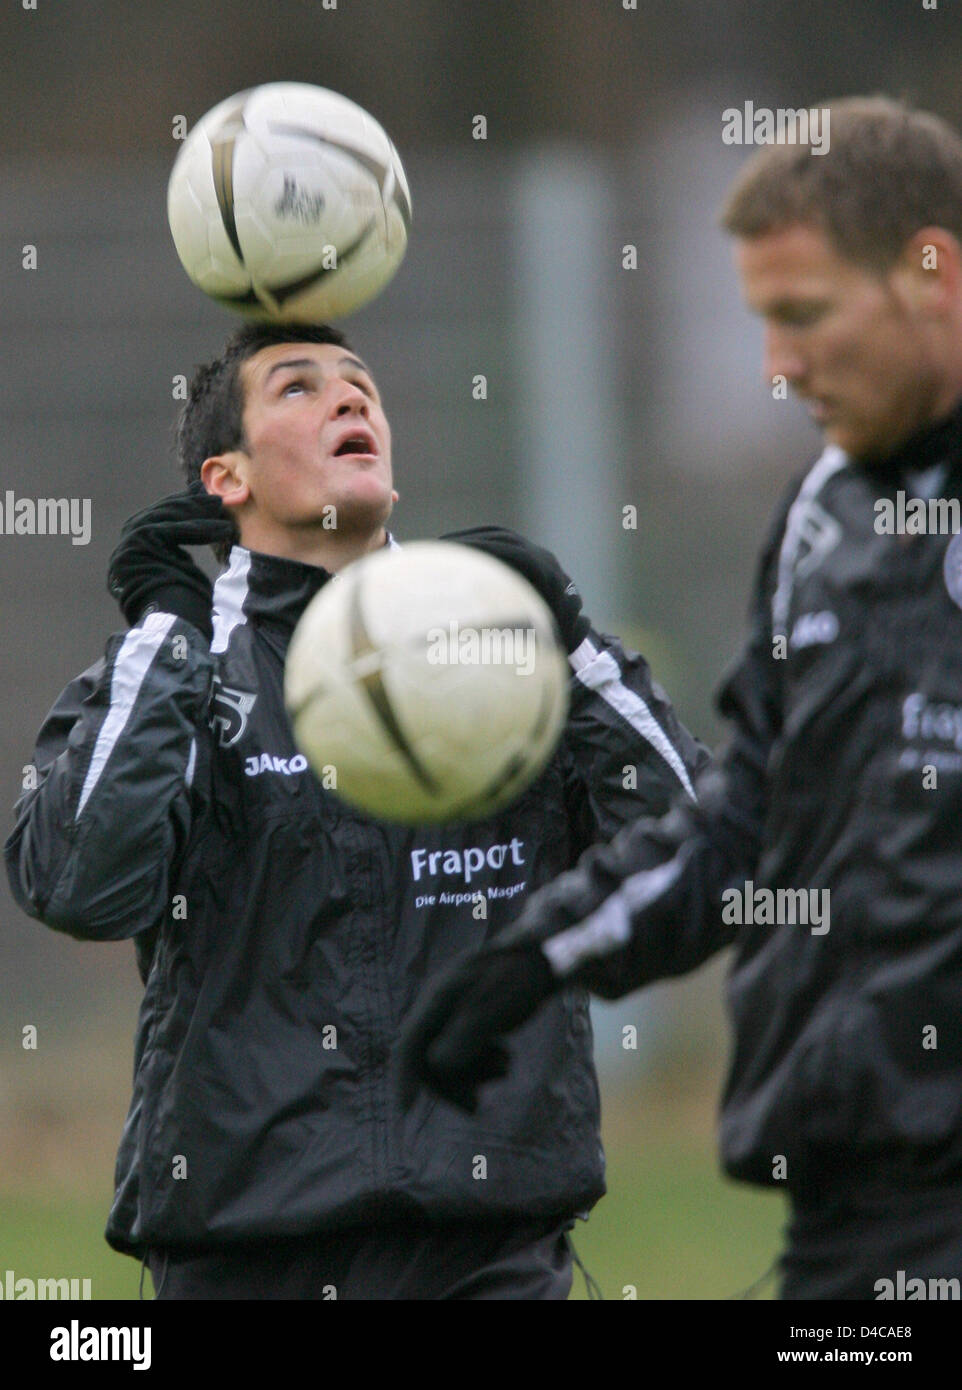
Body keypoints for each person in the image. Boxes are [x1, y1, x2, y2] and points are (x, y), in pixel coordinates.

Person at [4, 320, 708, 1300]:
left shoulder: (506, 660)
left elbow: (698, 855)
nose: (349, 399)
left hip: (491, 1252)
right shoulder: (179, 670)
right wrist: (168, 633)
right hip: (244, 1256)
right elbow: (77, 882)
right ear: (226, 479)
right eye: (298, 387)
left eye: (360, 385)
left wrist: (574, 644)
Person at [400, 94, 962, 1300]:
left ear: (932, 275)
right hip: (854, 1196)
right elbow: (743, 819)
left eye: (803, 317)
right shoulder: (825, 516)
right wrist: (533, 956)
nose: (777, 366)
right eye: (762, 323)